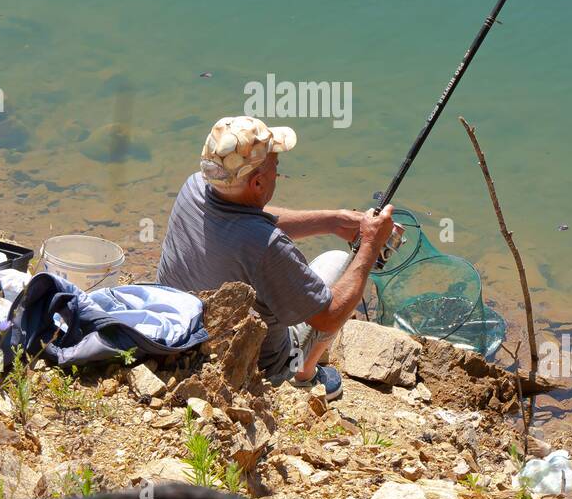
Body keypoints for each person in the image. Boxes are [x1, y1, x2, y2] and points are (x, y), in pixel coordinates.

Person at [156, 116, 398, 400]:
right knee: (336, 263)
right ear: (257, 183)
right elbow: (328, 317)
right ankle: (301, 375)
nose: (278, 175)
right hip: (257, 366)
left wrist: (332, 221)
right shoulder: (268, 246)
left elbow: (246, 220)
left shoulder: (195, 187)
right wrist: (370, 244)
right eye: (276, 168)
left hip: (179, 336)